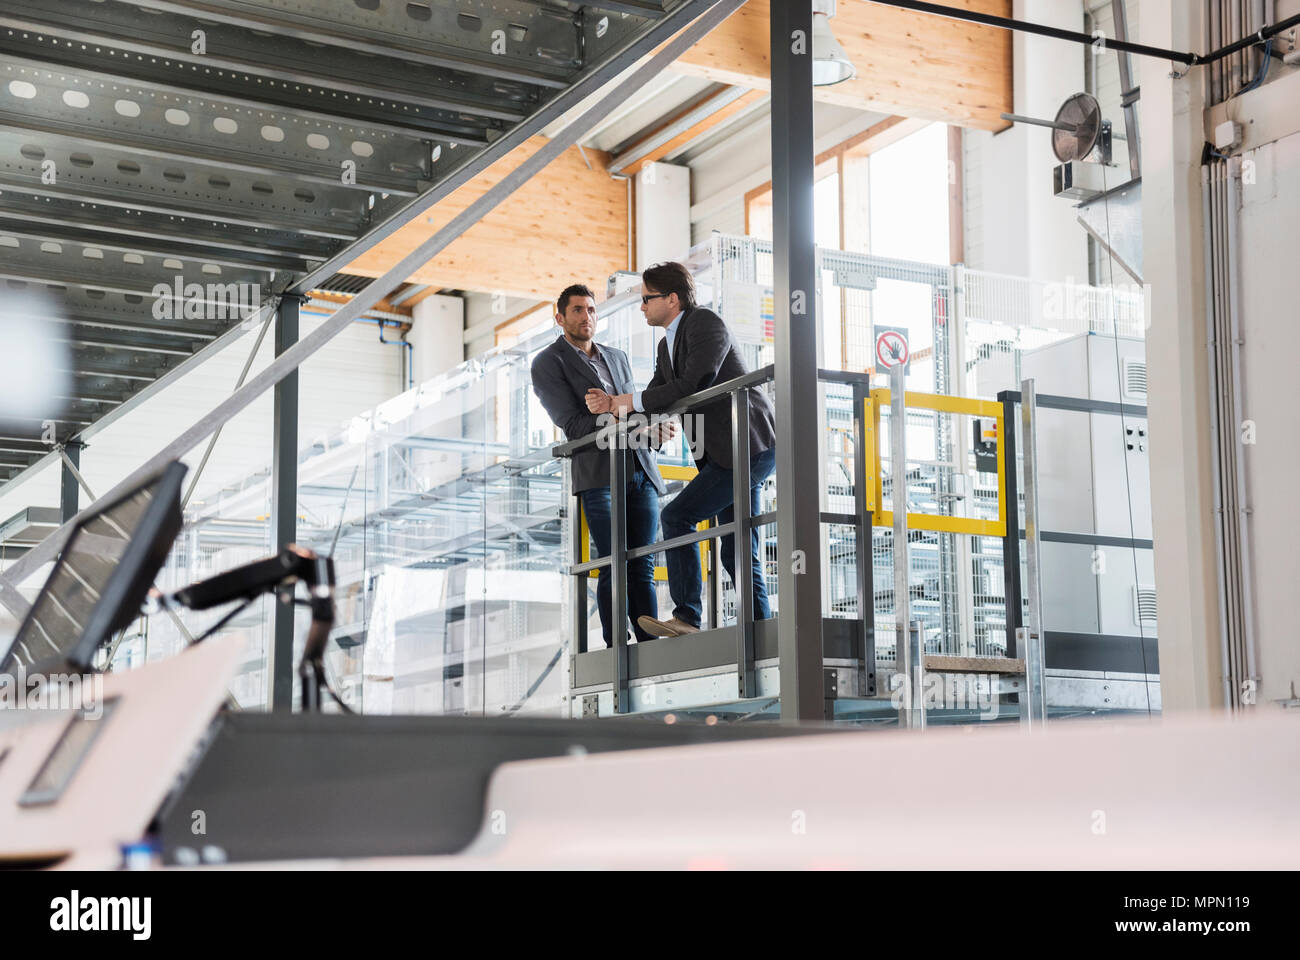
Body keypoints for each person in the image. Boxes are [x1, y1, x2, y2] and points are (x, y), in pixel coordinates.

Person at [585, 262, 776, 638]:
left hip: (746, 445)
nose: (641, 307)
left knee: (677, 517)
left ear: (672, 299)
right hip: (724, 453)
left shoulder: (705, 323)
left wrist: (620, 402)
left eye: (646, 299)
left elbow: (693, 382)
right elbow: (657, 395)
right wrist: (622, 409)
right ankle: (761, 630)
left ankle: (688, 617)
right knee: (737, 547)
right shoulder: (665, 343)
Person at [531, 283, 674, 648]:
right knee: (615, 560)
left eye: (591, 310)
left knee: (642, 562)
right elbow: (574, 424)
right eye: (577, 310)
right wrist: (626, 418)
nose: (586, 316)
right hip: (599, 474)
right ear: (560, 317)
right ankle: (617, 645)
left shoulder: (617, 356)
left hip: (640, 466)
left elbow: (630, 409)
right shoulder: (548, 363)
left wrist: (644, 424)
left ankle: (648, 640)